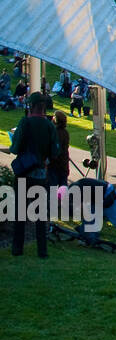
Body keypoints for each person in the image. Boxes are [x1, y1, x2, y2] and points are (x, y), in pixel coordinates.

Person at [9, 92, 56, 258]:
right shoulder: (49, 125)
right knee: (41, 215)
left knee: (20, 213)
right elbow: (55, 152)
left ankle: (17, 248)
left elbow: (14, 148)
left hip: (23, 173)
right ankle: (42, 251)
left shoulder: (25, 123)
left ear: (31, 106)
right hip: (41, 174)